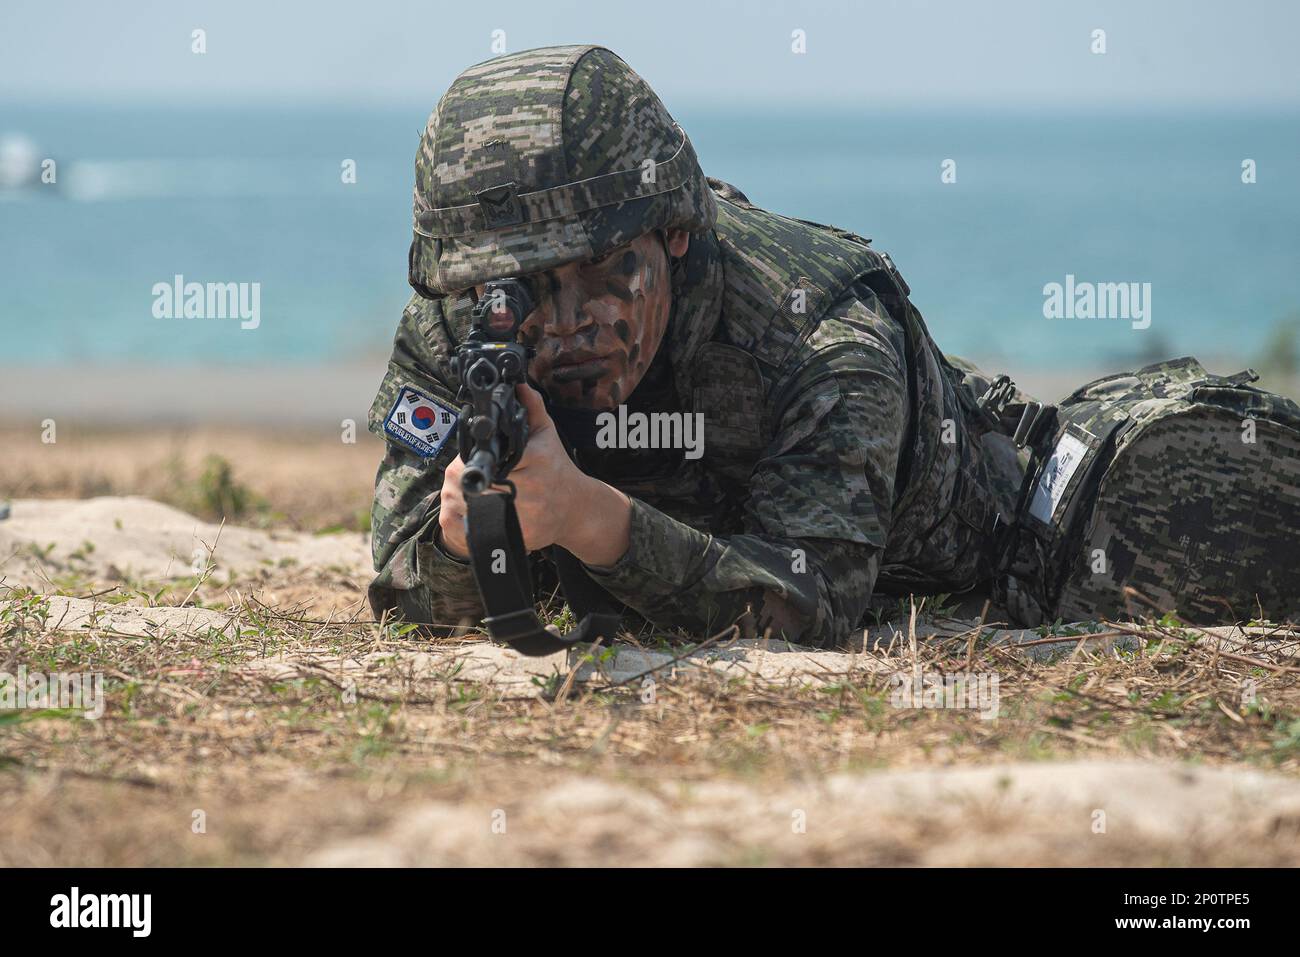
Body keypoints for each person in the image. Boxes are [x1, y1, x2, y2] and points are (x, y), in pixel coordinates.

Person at [367, 44, 1032, 648]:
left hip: (999, 521)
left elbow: (812, 601)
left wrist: (591, 520)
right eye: (522, 287)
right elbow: (403, 594)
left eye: (602, 268)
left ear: (676, 230)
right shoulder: (463, 327)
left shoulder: (816, 329)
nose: (566, 321)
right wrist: (459, 546)